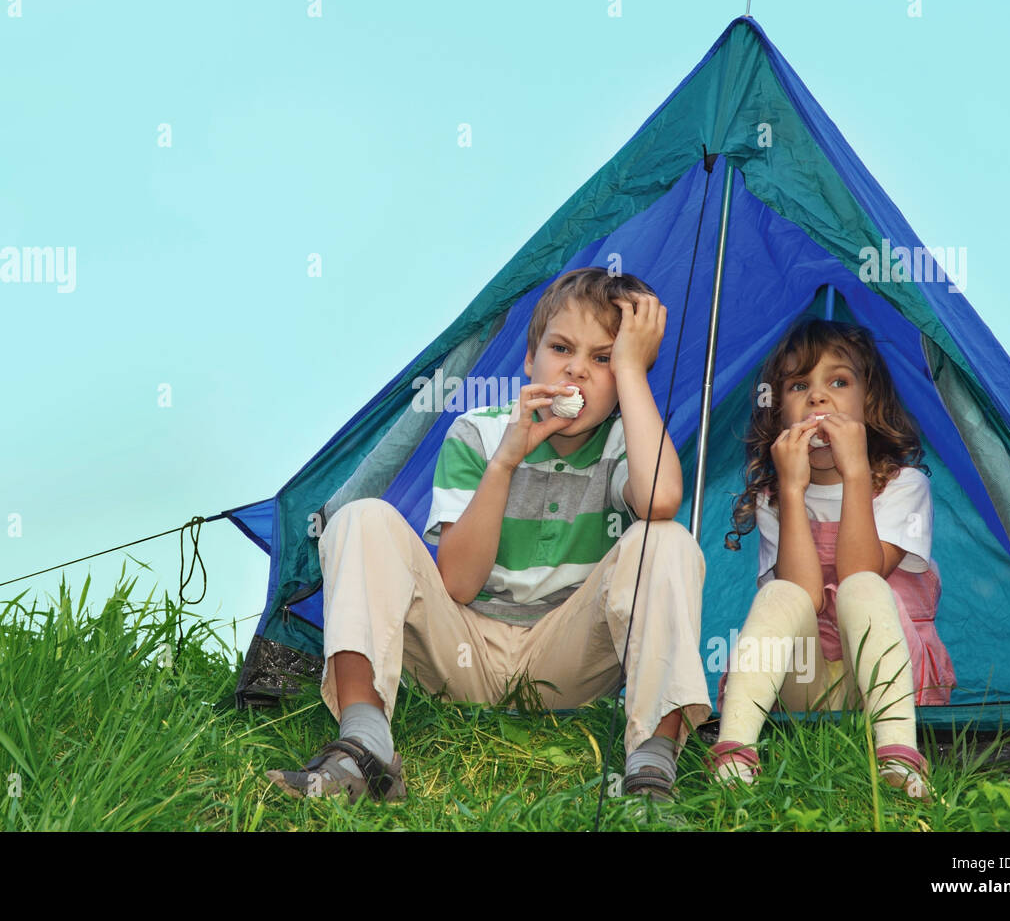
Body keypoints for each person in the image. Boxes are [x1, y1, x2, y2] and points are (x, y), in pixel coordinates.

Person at [266, 267, 710, 802]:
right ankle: (365, 747)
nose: (576, 371)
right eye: (561, 348)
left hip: (563, 662)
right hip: (464, 652)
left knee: (664, 538)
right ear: (529, 360)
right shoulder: (479, 432)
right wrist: (504, 463)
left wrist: (634, 375)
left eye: (603, 359)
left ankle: (650, 772)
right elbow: (456, 583)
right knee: (361, 518)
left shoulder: (623, 443)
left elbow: (660, 500)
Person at [712, 318, 955, 799]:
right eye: (799, 385)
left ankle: (899, 756)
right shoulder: (775, 497)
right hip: (808, 682)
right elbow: (800, 592)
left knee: (862, 585)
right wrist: (792, 487)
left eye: (838, 382)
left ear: (870, 403)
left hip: (885, 681)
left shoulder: (904, 486)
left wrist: (856, 470)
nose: (818, 398)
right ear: (778, 411)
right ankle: (734, 753)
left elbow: (858, 571)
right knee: (780, 591)